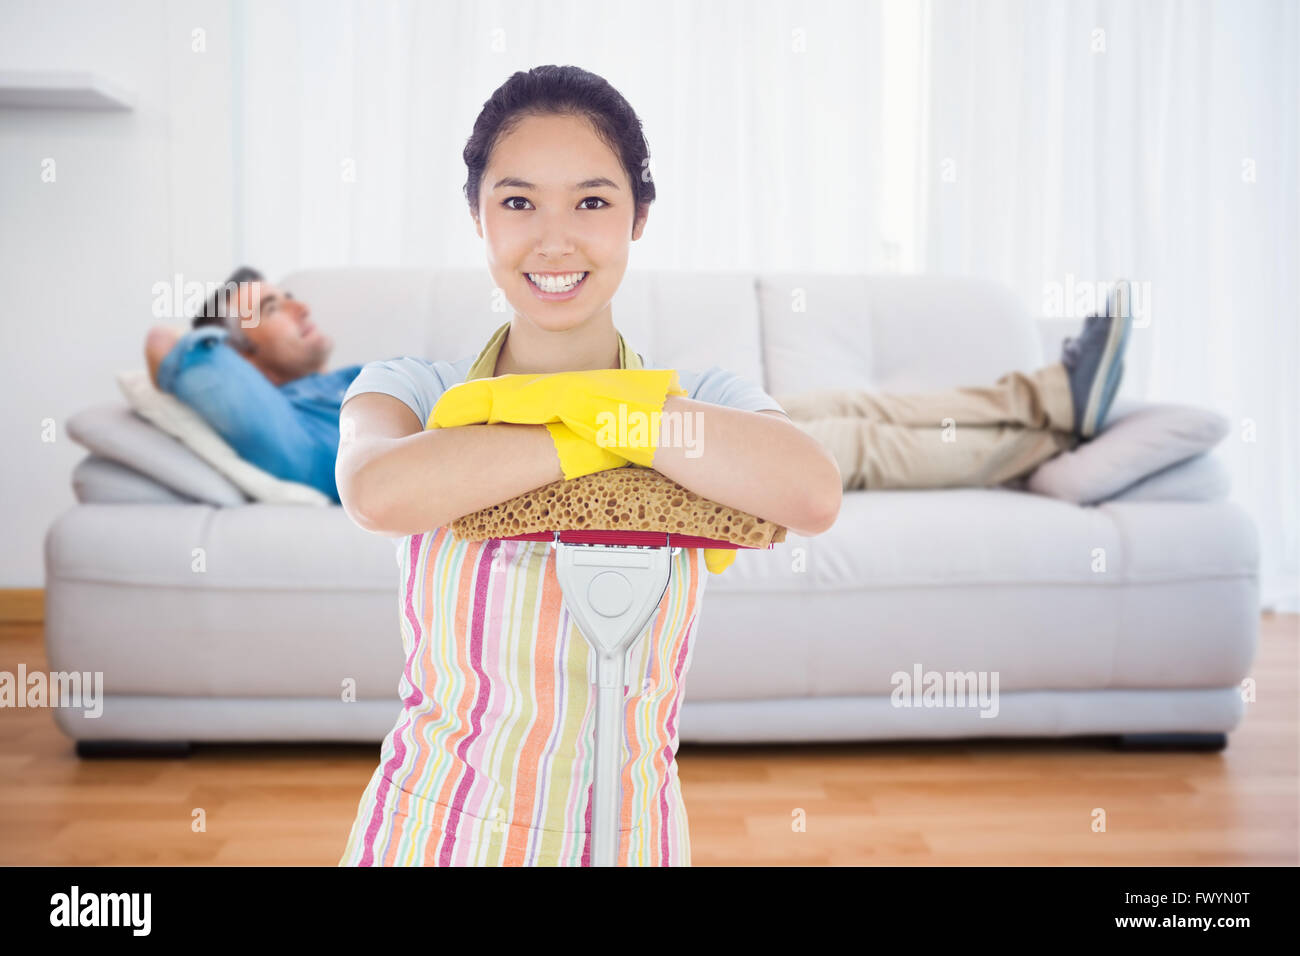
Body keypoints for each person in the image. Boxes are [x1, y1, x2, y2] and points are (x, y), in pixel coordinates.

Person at [144, 268, 362, 502]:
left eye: (288, 298)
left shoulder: (355, 377)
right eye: (272, 309)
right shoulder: (298, 430)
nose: (303, 309)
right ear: (241, 357)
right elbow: (161, 341)